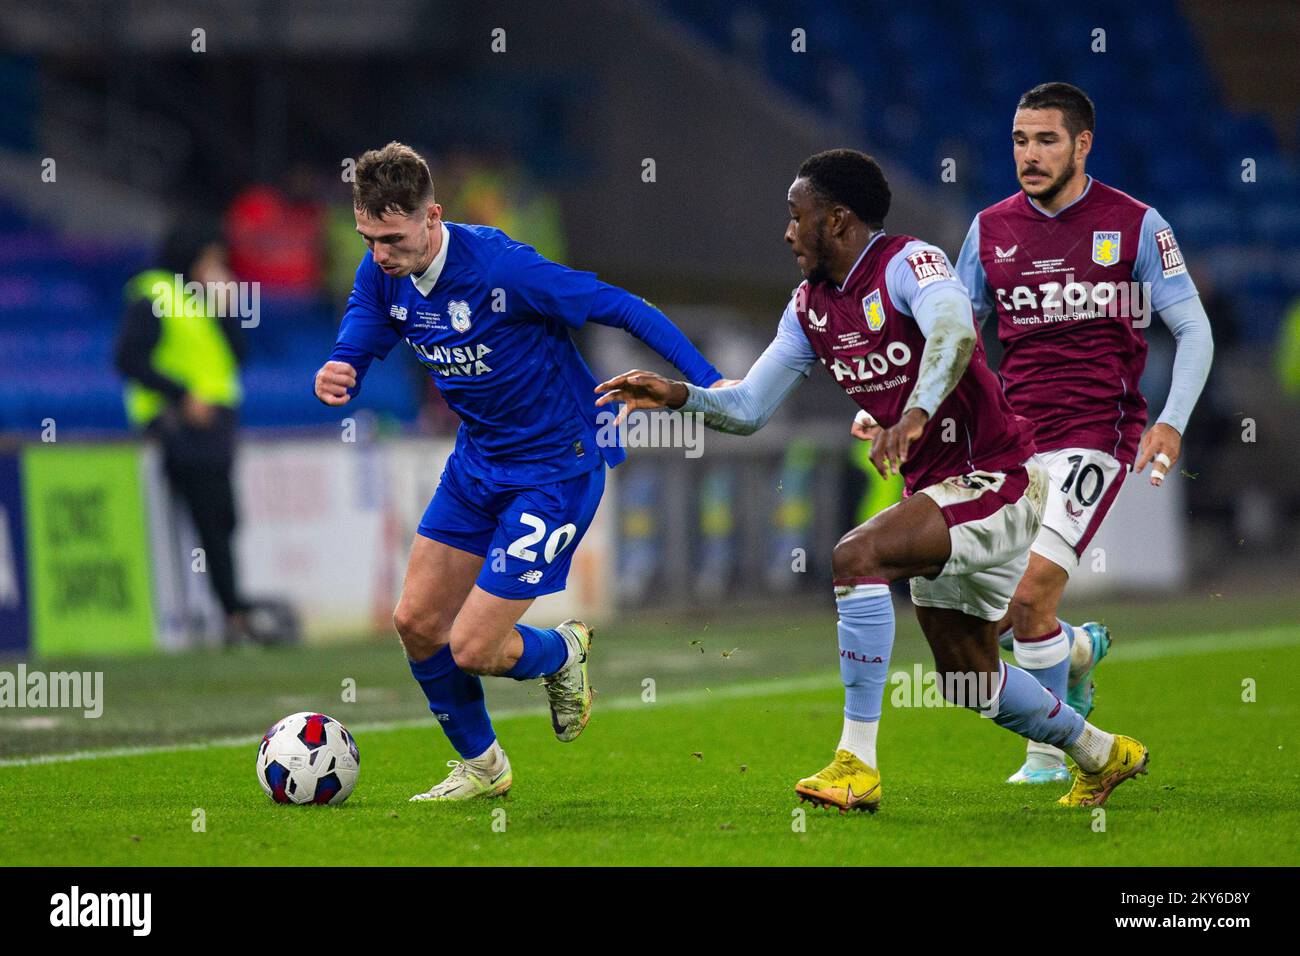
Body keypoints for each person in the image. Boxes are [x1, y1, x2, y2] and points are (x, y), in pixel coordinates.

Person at [596, 149, 1148, 811]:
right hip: (944, 500)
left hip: (997, 479)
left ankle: (855, 764)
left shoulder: (910, 263)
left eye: (795, 217)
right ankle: (1100, 754)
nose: (787, 232)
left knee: (855, 555)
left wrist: (914, 414)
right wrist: (680, 394)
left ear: (838, 220)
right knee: (968, 681)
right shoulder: (808, 309)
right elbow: (748, 410)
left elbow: (954, 330)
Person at [314, 142, 723, 802]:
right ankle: (483, 768)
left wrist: (708, 384)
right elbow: (371, 316)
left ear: (433, 217)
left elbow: (618, 305)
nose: (381, 254)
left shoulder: (503, 268)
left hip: (555, 468)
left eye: (392, 238)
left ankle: (562, 653)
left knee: (473, 647)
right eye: (369, 239)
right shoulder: (381, 270)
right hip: (478, 461)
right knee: (418, 624)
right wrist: (345, 364)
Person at [954, 82, 1214, 783]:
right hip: (1013, 439)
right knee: (984, 620)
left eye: (1045, 139)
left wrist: (1171, 418)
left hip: (1099, 431)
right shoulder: (988, 230)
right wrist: (906, 413)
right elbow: (954, 338)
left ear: (1082, 144)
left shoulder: (1134, 224)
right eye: (1019, 140)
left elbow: (1192, 327)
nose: (1030, 155)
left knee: (1030, 591)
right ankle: (1075, 654)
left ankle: (1047, 752)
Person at [115, 220, 254, 646]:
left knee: (223, 519)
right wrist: (182, 397)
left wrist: (228, 310)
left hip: (215, 429)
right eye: (211, 258)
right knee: (209, 521)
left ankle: (228, 611)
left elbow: (234, 360)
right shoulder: (156, 295)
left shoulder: (200, 301)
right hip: (179, 429)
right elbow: (128, 358)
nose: (218, 267)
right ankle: (227, 617)